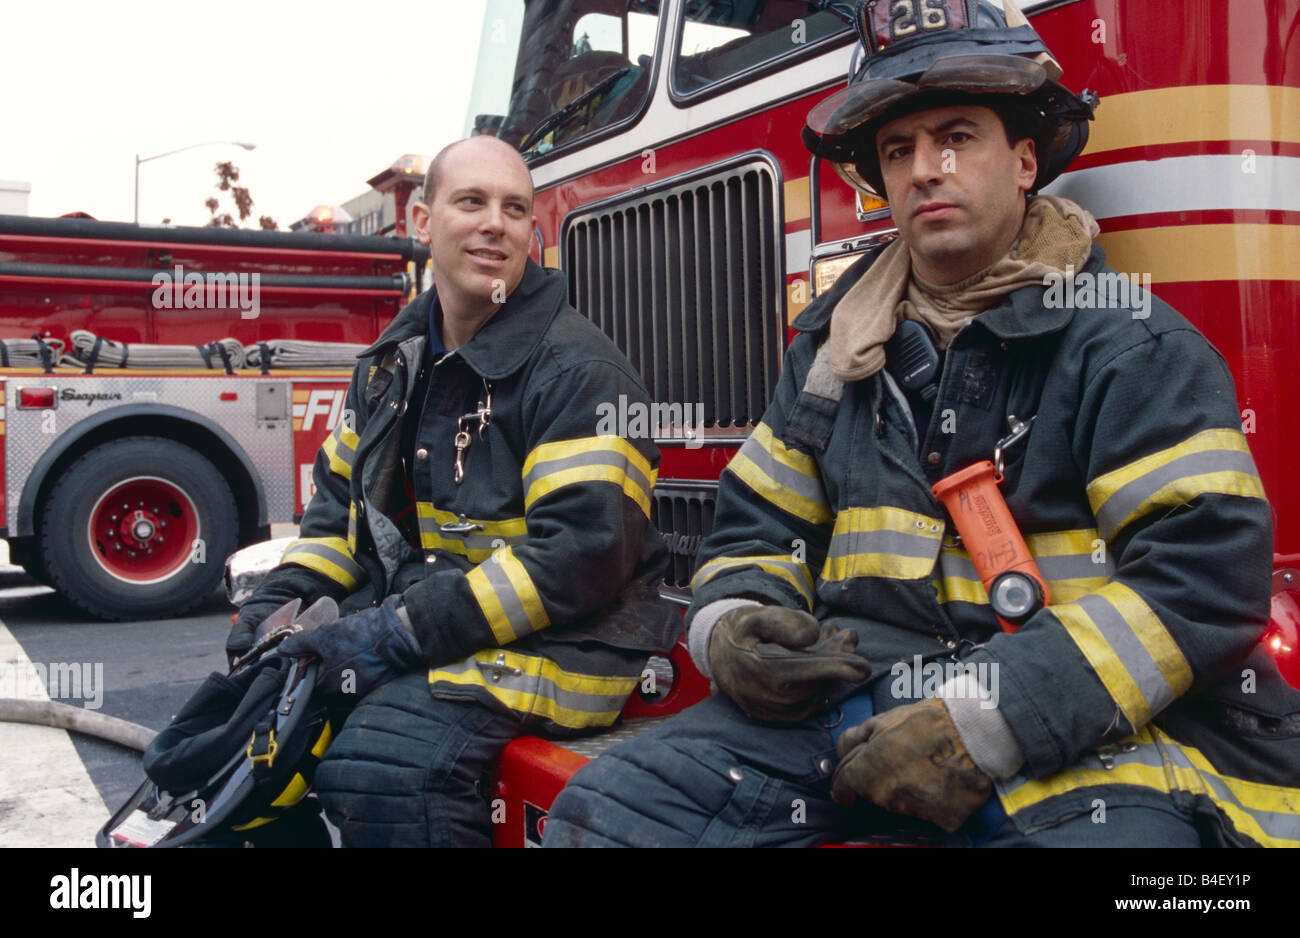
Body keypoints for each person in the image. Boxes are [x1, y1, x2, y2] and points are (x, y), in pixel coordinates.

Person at [543, 0, 1299, 847]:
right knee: (604, 816)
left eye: (956, 137)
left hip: (1080, 740)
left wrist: (984, 722)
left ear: (1023, 162)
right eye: (898, 151)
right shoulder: (832, 356)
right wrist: (735, 626)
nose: (925, 169)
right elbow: (754, 529)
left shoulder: (1131, 345)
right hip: (850, 710)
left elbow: (1200, 583)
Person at [225, 134, 677, 847]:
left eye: (515, 208)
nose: (495, 222)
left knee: (385, 767)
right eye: (472, 201)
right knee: (244, 739)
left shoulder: (578, 370)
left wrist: (397, 631)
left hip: (568, 648)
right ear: (422, 223)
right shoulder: (390, 368)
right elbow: (342, 522)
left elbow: (579, 560)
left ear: (532, 232)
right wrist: (279, 601)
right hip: (445, 636)